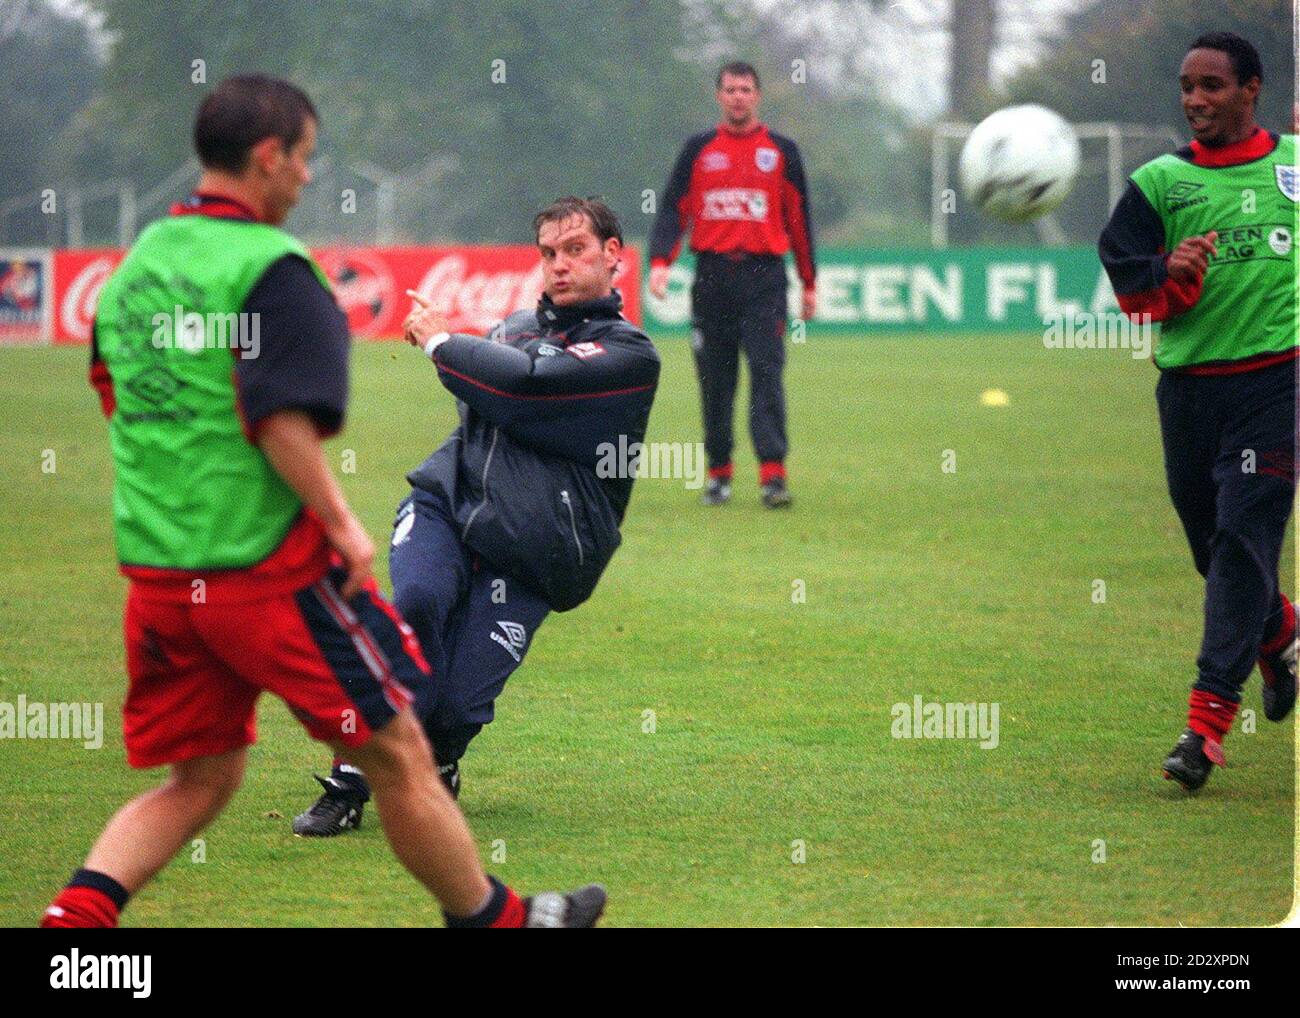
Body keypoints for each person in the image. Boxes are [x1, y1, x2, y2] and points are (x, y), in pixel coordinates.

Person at [41, 75, 604, 928]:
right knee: (401, 751)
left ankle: (72, 935)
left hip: (158, 577)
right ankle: (504, 922)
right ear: (268, 158)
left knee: (198, 782)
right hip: (264, 575)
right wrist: (341, 526)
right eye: (303, 159)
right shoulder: (276, 271)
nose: (308, 178)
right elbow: (278, 421)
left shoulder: (137, 268)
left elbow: (122, 397)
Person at [291, 196, 660, 834]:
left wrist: (441, 340)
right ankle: (349, 781)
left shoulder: (630, 357)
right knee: (417, 610)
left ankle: (439, 760)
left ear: (614, 258)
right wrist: (458, 349)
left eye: (574, 250)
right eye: (548, 253)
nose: (558, 266)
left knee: (457, 701)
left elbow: (522, 387)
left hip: (537, 552)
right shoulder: (513, 330)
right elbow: (494, 380)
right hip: (448, 508)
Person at [1098, 33, 1297, 792]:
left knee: (1246, 535)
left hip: (1280, 383)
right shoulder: (1160, 182)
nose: (1195, 100)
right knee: (1213, 550)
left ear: (1252, 89)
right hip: (1189, 391)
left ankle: (1206, 727)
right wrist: (1164, 270)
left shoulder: (1293, 169)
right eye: (1187, 86)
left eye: (1211, 86)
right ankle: (1280, 630)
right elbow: (1125, 274)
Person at [648, 61, 816, 509]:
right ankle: (719, 475)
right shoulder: (698, 149)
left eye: (745, 89)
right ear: (718, 96)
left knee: (766, 375)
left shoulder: (781, 151)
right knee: (715, 382)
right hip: (712, 278)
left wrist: (809, 281)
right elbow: (672, 210)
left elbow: (798, 219)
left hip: (764, 280)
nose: (737, 96)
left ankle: (772, 477)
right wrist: (661, 262)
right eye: (729, 89)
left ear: (757, 95)